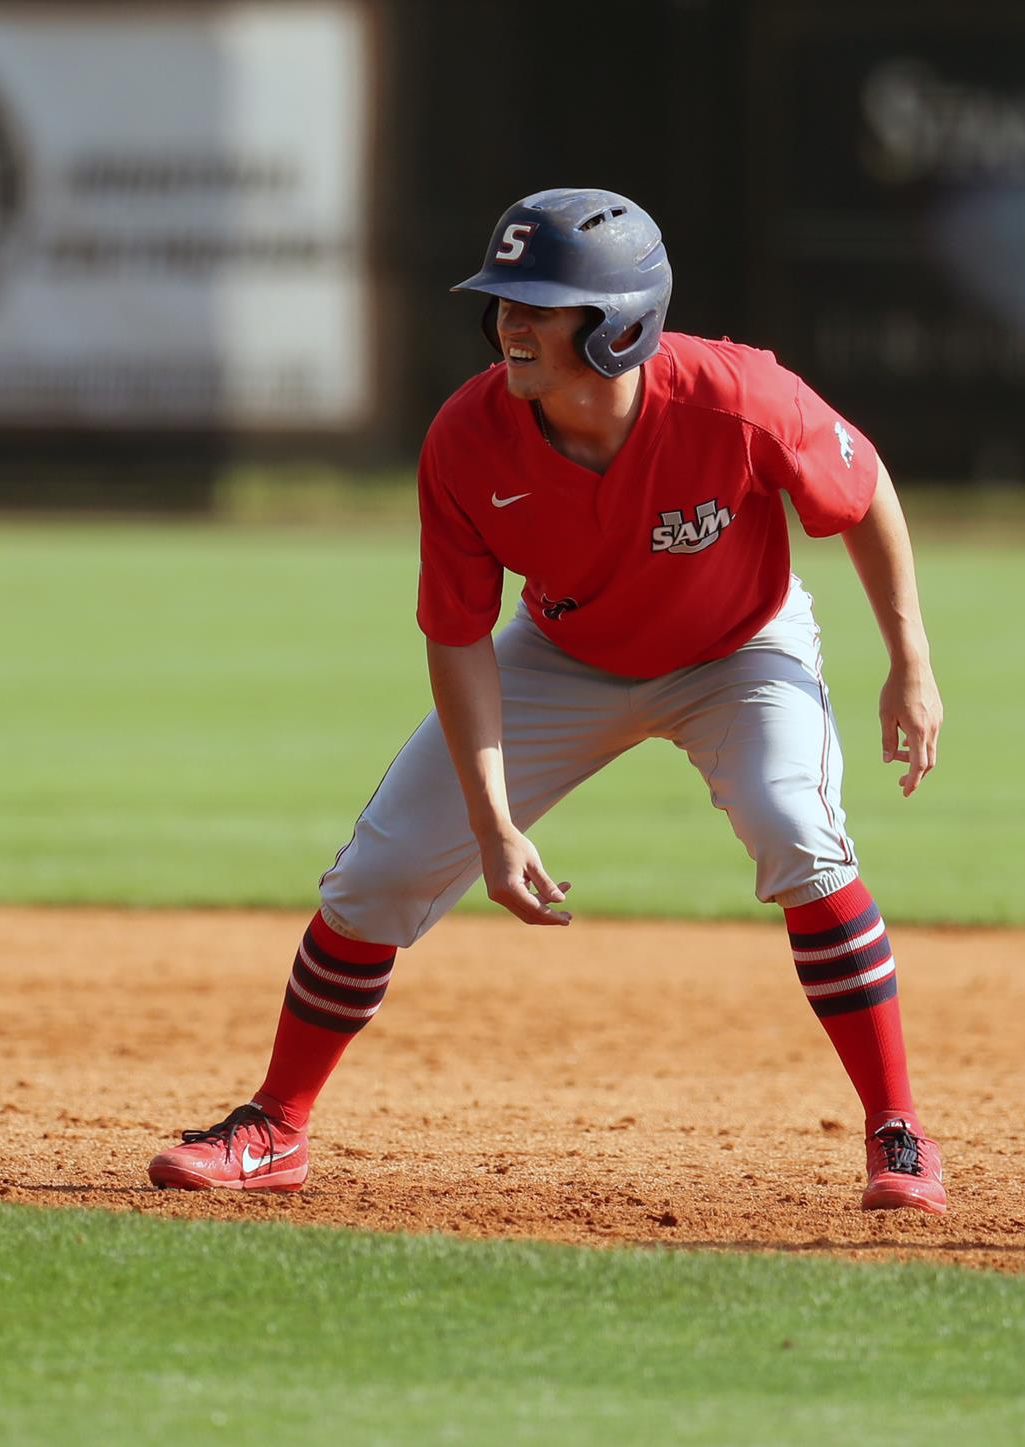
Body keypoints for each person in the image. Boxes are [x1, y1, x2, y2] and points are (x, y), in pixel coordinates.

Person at [148, 187, 948, 1214]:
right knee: (380, 871)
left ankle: (897, 1130)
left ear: (620, 325)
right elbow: (457, 636)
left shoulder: (737, 397)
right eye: (504, 301)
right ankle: (275, 1126)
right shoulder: (468, 437)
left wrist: (909, 661)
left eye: (540, 304)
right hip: (564, 654)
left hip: (739, 648)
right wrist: (492, 825)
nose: (509, 323)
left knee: (795, 826)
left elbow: (863, 488)